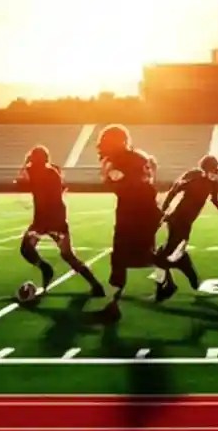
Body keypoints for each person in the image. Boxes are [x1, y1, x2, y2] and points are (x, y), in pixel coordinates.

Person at [14, 145, 105, 298]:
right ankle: (96, 285)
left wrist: (26, 163)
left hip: (42, 220)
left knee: (26, 249)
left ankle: (45, 268)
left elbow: (19, 180)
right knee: (68, 255)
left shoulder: (34, 171)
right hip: (58, 220)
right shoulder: (53, 172)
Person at [96, 124, 165, 322]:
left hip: (137, 212)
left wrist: (113, 177)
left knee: (126, 256)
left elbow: (131, 185)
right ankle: (115, 303)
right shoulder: (136, 157)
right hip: (140, 210)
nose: (102, 148)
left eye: (106, 143)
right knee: (132, 256)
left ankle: (114, 302)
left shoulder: (125, 160)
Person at [157, 154, 218, 293]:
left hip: (187, 221)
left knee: (170, 253)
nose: (216, 173)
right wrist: (164, 209)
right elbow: (174, 190)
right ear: (205, 170)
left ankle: (175, 281)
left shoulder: (213, 183)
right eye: (213, 170)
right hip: (176, 218)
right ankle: (170, 284)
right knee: (169, 254)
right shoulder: (193, 177)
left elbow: (214, 199)